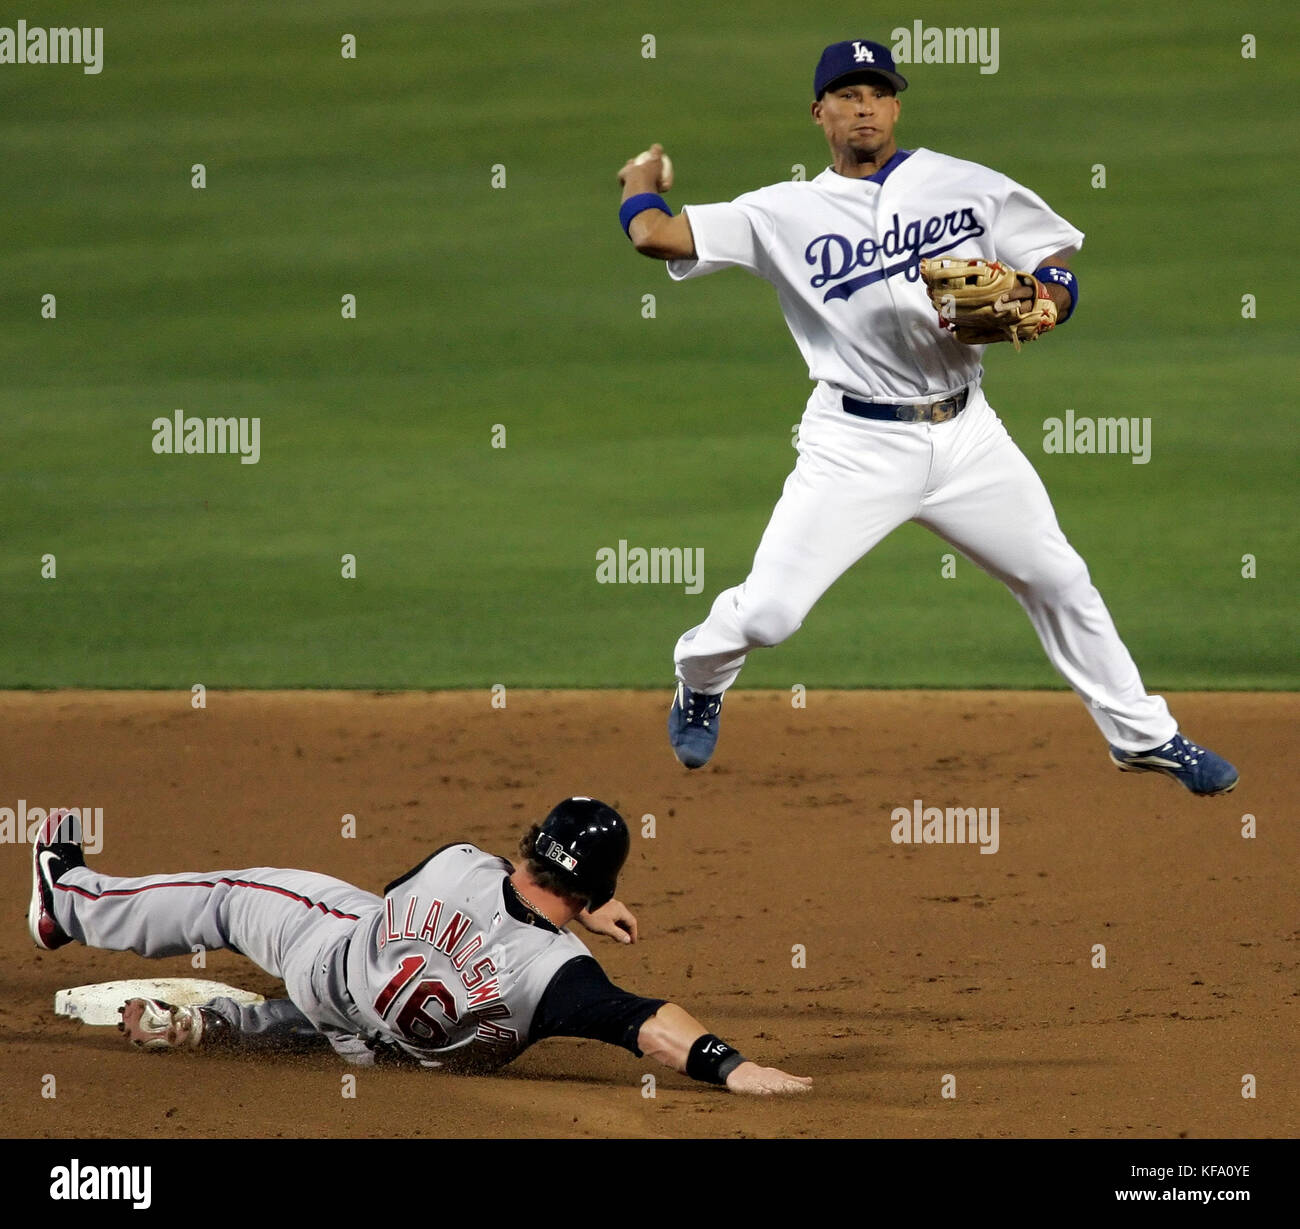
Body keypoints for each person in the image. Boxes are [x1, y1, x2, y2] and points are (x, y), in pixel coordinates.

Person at [616, 36, 1238, 797]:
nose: (864, 105)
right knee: (771, 614)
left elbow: (1055, 264)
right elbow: (655, 236)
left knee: (1059, 576)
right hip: (854, 444)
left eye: (877, 91)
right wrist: (639, 180)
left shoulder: (962, 183)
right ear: (820, 114)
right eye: (847, 95)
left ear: (897, 104)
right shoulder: (780, 212)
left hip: (969, 435)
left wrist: (1050, 300)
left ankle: (1145, 737)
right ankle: (700, 675)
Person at [28, 802, 811, 1095]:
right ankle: (227, 1026)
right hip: (385, 1055)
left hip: (326, 962)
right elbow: (646, 1021)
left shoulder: (460, 861)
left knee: (230, 898)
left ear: (532, 850)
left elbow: (409, 894)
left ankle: (64, 905)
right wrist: (731, 1065)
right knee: (382, 1023)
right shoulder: (564, 978)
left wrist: (576, 899)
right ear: (593, 892)